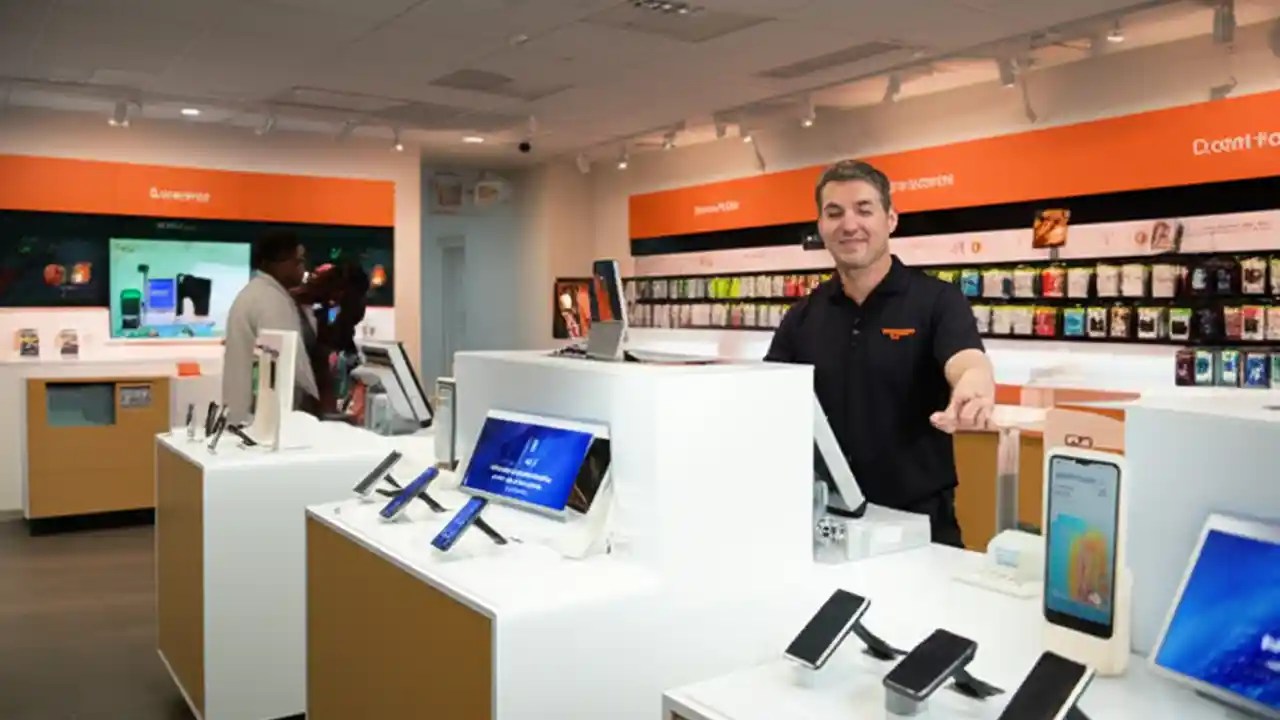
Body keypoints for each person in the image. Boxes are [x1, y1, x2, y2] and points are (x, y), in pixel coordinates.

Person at [765, 160, 995, 547]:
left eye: (864, 209)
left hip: (919, 525)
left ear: (890, 219)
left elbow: (966, 359)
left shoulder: (937, 301)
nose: (849, 224)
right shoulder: (803, 316)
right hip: (827, 522)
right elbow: (766, 393)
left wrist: (974, 386)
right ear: (820, 226)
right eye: (834, 213)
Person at [221, 231, 320, 424]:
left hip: (250, 414)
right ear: (272, 263)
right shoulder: (271, 300)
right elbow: (289, 364)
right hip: (268, 419)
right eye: (297, 261)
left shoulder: (261, 293)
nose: (302, 268)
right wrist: (313, 405)